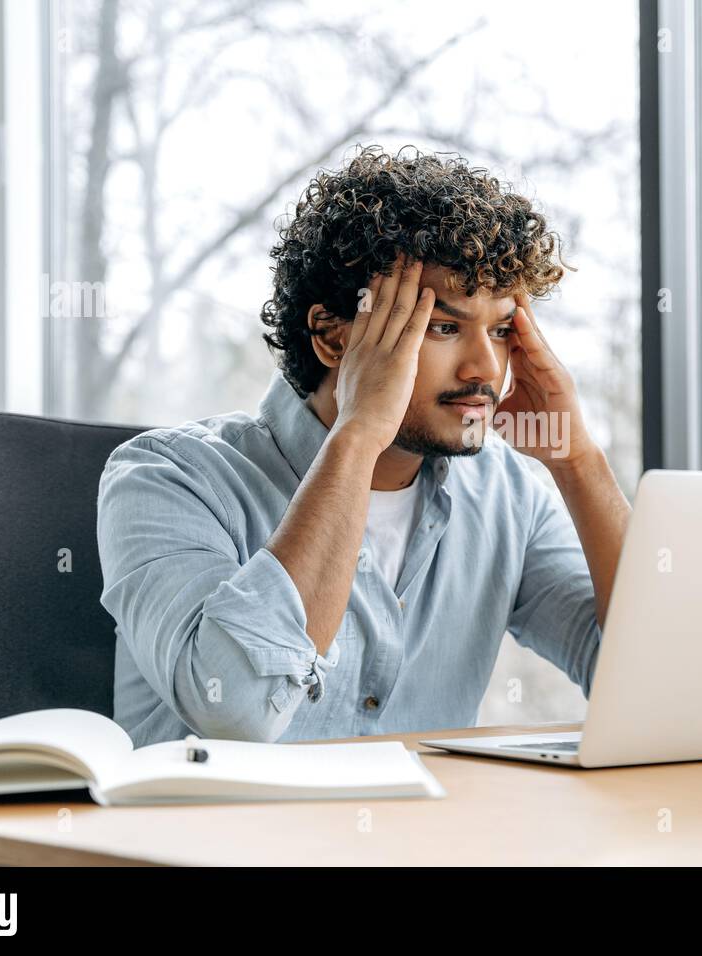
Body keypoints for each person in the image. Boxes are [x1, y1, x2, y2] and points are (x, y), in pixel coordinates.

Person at [97, 145, 631, 746]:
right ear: (332, 339)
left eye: (503, 330)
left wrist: (577, 461)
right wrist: (358, 437)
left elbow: (648, 688)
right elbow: (238, 713)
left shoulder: (508, 496)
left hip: (434, 814)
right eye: (444, 327)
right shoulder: (166, 477)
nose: (486, 367)